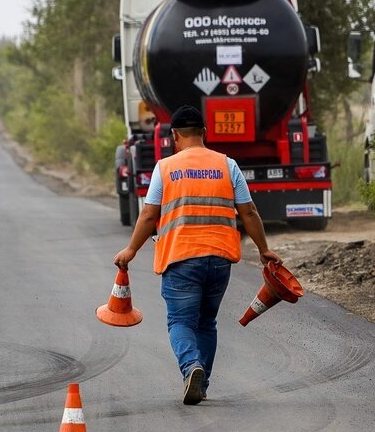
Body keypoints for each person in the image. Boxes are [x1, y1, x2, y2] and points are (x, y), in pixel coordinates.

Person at [113, 105, 281, 405]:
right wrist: (263, 249)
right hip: (219, 260)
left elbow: (150, 214)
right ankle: (201, 385)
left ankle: (192, 367)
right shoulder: (227, 165)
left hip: (181, 259)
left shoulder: (165, 168)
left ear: (174, 136)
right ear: (204, 133)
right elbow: (249, 211)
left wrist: (131, 249)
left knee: (180, 321)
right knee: (206, 323)